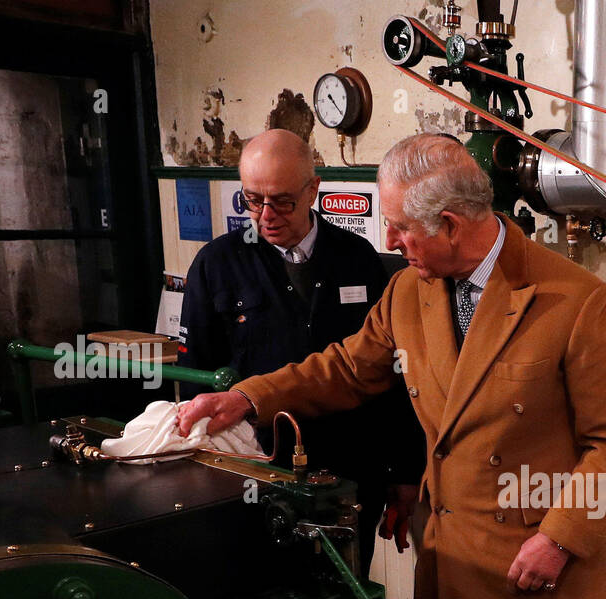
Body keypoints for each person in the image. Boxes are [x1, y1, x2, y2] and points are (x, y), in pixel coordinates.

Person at [178, 133, 606, 599]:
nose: (389, 241)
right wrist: (249, 396)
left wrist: (561, 538)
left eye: (400, 228)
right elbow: (347, 367)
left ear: (450, 224)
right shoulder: (409, 289)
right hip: (449, 565)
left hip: (533, 567)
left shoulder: (576, 302)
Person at [178, 128, 423, 567]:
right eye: (252, 200)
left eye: (283, 201)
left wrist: (405, 474)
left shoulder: (358, 257)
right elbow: (197, 379)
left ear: (313, 189)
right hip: (254, 475)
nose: (266, 215)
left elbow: (393, 373)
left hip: (348, 474)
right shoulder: (216, 265)